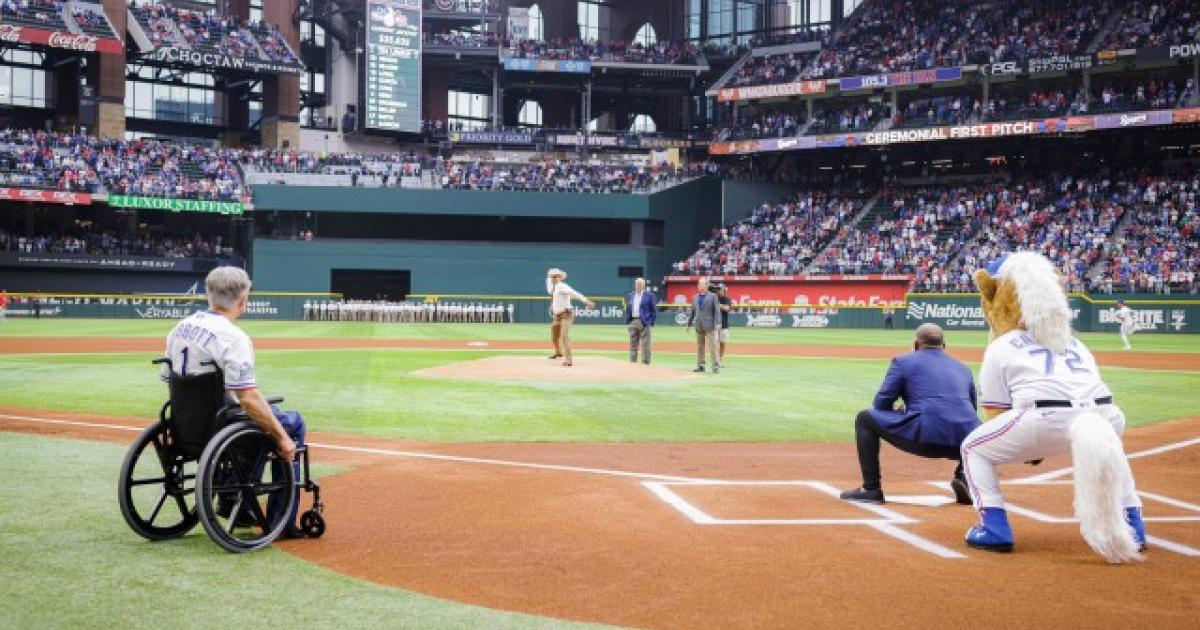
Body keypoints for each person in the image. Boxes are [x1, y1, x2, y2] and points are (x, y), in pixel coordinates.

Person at [160, 266, 306, 535]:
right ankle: (281, 521)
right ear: (243, 300)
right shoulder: (234, 338)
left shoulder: (179, 329)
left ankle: (231, 501)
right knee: (291, 423)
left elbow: (170, 380)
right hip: (222, 424)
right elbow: (248, 398)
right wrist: (283, 438)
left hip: (187, 425)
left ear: (208, 294)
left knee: (255, 421)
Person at [840, 324, 980, 505]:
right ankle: (964, 475)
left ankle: (871, 488)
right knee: (972, 426)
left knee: (864, 419)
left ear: (915, 344)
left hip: (926, 437)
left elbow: (881, 403)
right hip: (967, 445)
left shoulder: (903, 362)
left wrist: (901, 412)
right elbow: (971, 409)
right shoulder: (963, 368)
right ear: (944, 346)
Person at [546, 268, 594, 367]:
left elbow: (574, 293)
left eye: (555, 276)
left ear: (560, 278)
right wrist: (549, 277)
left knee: (564, 336)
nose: (553, 278)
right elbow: (548, 285)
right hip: (557, 317)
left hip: (566, 315)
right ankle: (558, 352)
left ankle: (568, 360)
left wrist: (586, 301)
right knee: (554, 335)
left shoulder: (562, 286)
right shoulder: (552, 287)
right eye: (552, 277)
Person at [686, 278, 722, 373]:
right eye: (698, 284)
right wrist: (688, 324)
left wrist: (718, 323)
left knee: (713, 346)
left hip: (710, 326)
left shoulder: (713, 296)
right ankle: (701, 365)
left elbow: (717, 311)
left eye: (701, 284)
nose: (699, 286)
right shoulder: (695, 297)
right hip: (699, 325)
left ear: (706, 286)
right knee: (700, 346)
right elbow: (692, 311)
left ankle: (715, 365)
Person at [624, 277, 658, 364]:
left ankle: (645, 364)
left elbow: (654, 310)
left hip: (644, 322)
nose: (638, 286)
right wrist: (629, 320)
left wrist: (650, 322)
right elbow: (628, 308)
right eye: (637, 284)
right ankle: (632, 363)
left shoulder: (649, 296)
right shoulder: (630, 295)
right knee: (633, 345)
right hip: (633, 321)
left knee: (645, 345)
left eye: (640, 284)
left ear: (643, 286)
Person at [717, 285, 732, 362]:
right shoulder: (714, 298)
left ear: (724, 290)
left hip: (724, 324)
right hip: (715, 324)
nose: (719, 291)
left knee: (722, 342)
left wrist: (718, 305)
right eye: (718, 289)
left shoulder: (727, 299)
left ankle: (720, 358)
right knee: (714, 343)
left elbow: (727, 308)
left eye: (720, 289)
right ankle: (715, 358)